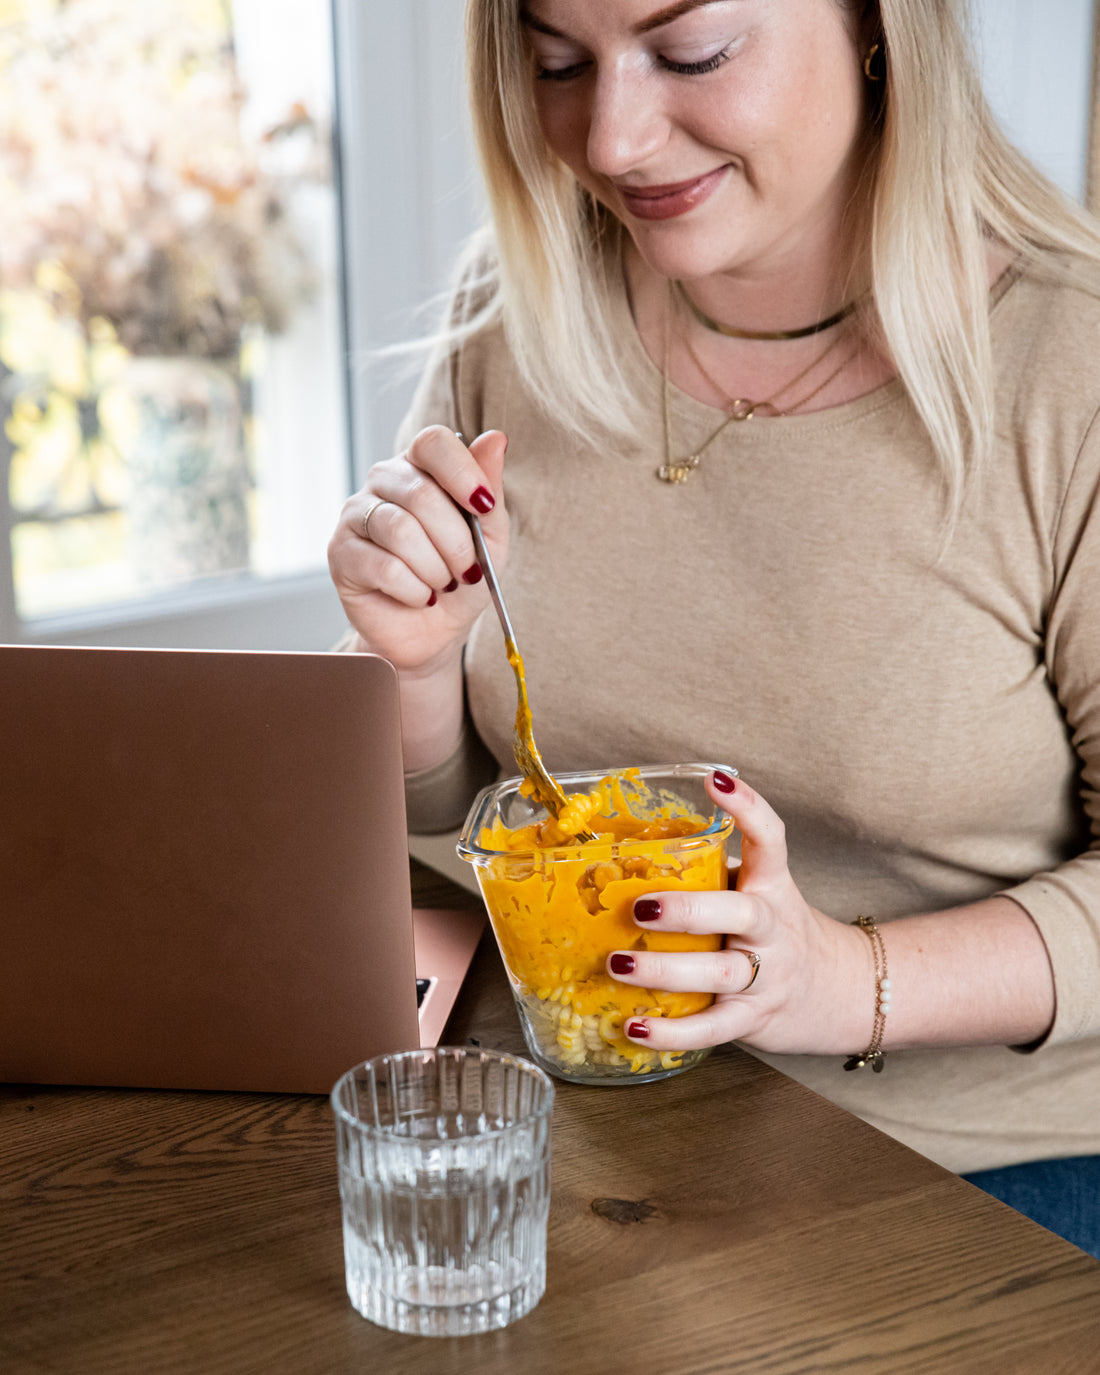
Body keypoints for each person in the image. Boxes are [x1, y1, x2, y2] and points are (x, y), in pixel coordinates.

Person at [327, 0, 1100, 1256]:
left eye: (691, 53)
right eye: (555, 63)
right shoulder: (513, 307)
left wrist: (835, 978)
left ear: (874, 28)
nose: (613, 139)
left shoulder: (1070, 368)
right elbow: (448, 825)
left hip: (982, 1170)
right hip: (594, 1123)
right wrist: (408, 666)